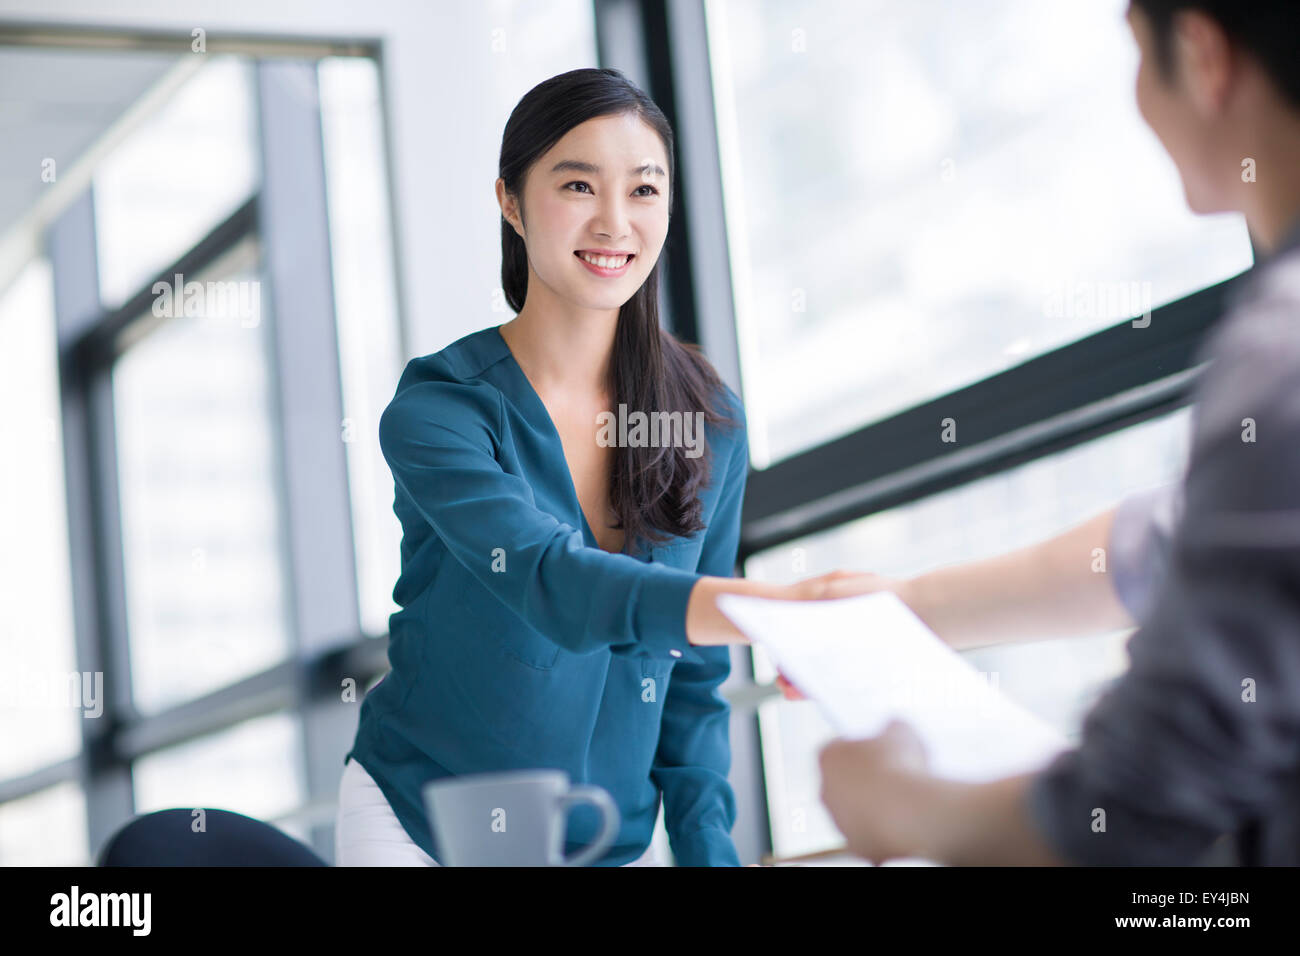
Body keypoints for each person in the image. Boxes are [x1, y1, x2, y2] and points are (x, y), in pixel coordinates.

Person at [808, 0, 1300, 865]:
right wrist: (908, 606)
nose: (1140, 97)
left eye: (1138, 57)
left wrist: (893, 802)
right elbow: (1170, 546)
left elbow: (1127, 816)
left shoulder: (1280, 356)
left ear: (1204, 54)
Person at [334, 67, 861, 867]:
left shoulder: (706, 423)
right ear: (511, 201)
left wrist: (707, 850)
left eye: (644, 192)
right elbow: (553, 581)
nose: (614, 222)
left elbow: (692, 677)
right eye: (578, 185)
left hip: (605, 844)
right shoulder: (441, 412)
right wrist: (767, 609)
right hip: (424, 822)